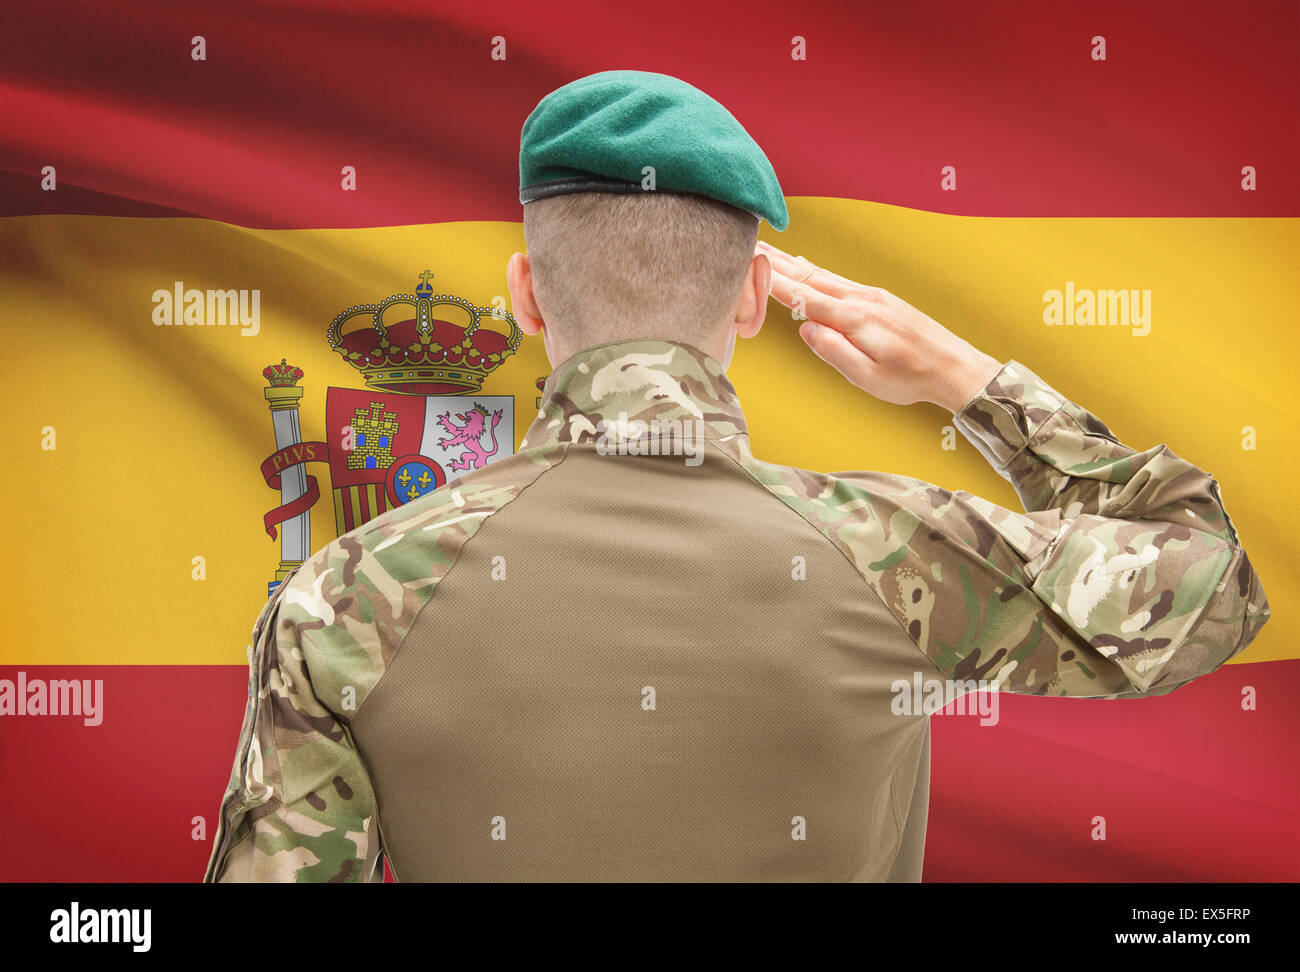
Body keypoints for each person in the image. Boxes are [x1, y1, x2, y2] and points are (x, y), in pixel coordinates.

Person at [203, 70, 1269, 882]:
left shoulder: (341, 597)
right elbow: (1212, 584)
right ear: (754, 297)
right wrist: (968, 380)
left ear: (527, 294)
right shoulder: (893, 553)